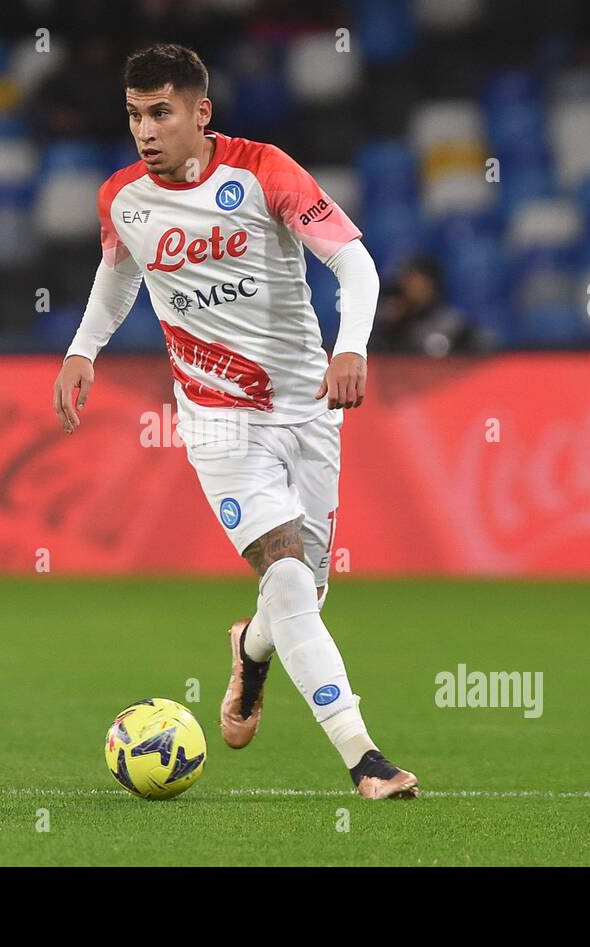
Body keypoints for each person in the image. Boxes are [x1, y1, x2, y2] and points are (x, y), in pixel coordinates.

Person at [51, 43, 418, 799]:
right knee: (286, 578)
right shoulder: (122, 197)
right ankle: (364, 757)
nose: (146, 131)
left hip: (307, 410)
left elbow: (356, 265)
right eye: (134, 116)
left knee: (303, 598)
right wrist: (84, 348)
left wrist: (350, 348)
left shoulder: (264, 172)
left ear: (200, 112)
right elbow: (119, 270)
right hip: (217, 421)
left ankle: (249, 651)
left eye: (161, 113)